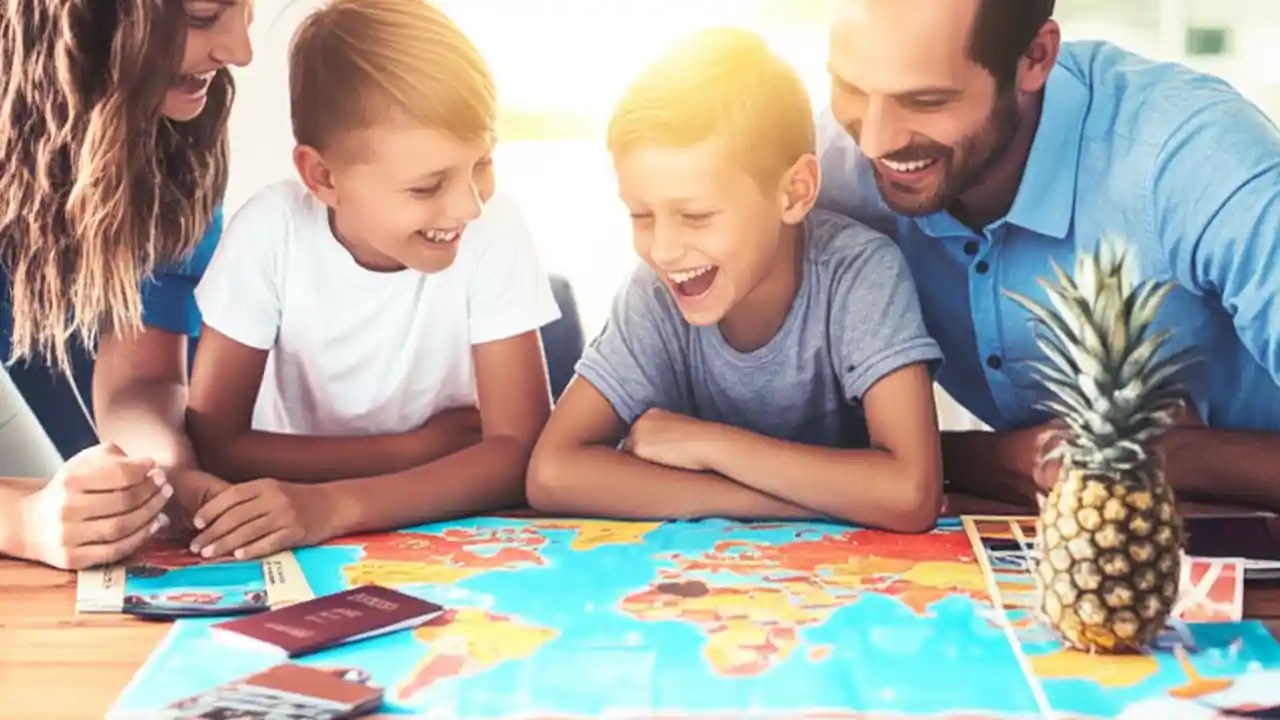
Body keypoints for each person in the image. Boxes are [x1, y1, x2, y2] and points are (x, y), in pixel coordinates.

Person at [817, 0, 1280, 511]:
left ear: (1035, 58)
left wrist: (1168, 455)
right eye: (853, 89)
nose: (877, 139)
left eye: (926, 100)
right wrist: (996, 460)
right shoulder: (834, 171)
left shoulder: (1197, 165)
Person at [182, 0, 561, 561]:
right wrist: (414, 450)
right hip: (294, 532)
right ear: (323, 176)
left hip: (442, 532)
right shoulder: (269, 233)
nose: (470, 205)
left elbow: (520, 453)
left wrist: (334, 506)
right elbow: (216, 445)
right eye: (428, 186)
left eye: (482, 162)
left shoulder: (495, 227)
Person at [526, 28, 945, 531]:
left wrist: (707, 443)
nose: (662, 249)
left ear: (794, 192)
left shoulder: (860, 275)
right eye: (641, 215)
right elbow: (551, 473)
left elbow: (911, 493)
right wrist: (780, 502)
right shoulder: (654, 293)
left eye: (697, 216)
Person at [0, 0, 254, 570]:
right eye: (203, 16)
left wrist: (168, 472)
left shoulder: (174, 150)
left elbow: (142, 380)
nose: (240, 51)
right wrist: (20, 521)